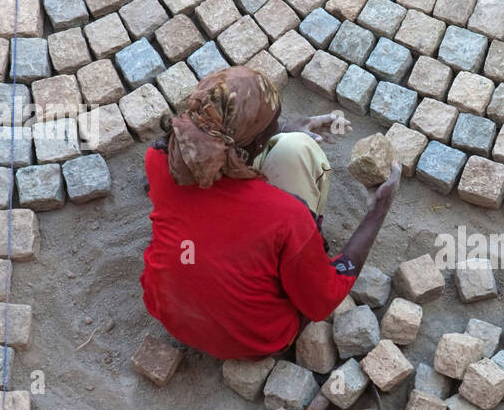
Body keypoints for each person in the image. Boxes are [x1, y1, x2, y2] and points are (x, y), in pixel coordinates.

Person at [140, 66, 399, 360]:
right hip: (253, 338)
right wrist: (377, 211)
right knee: (298, 152)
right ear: (254, 142)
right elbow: (321, 301)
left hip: (170, 310)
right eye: (273, 125)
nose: (278, 127)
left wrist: (287, 126)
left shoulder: (159, 159)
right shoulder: (286, 215)